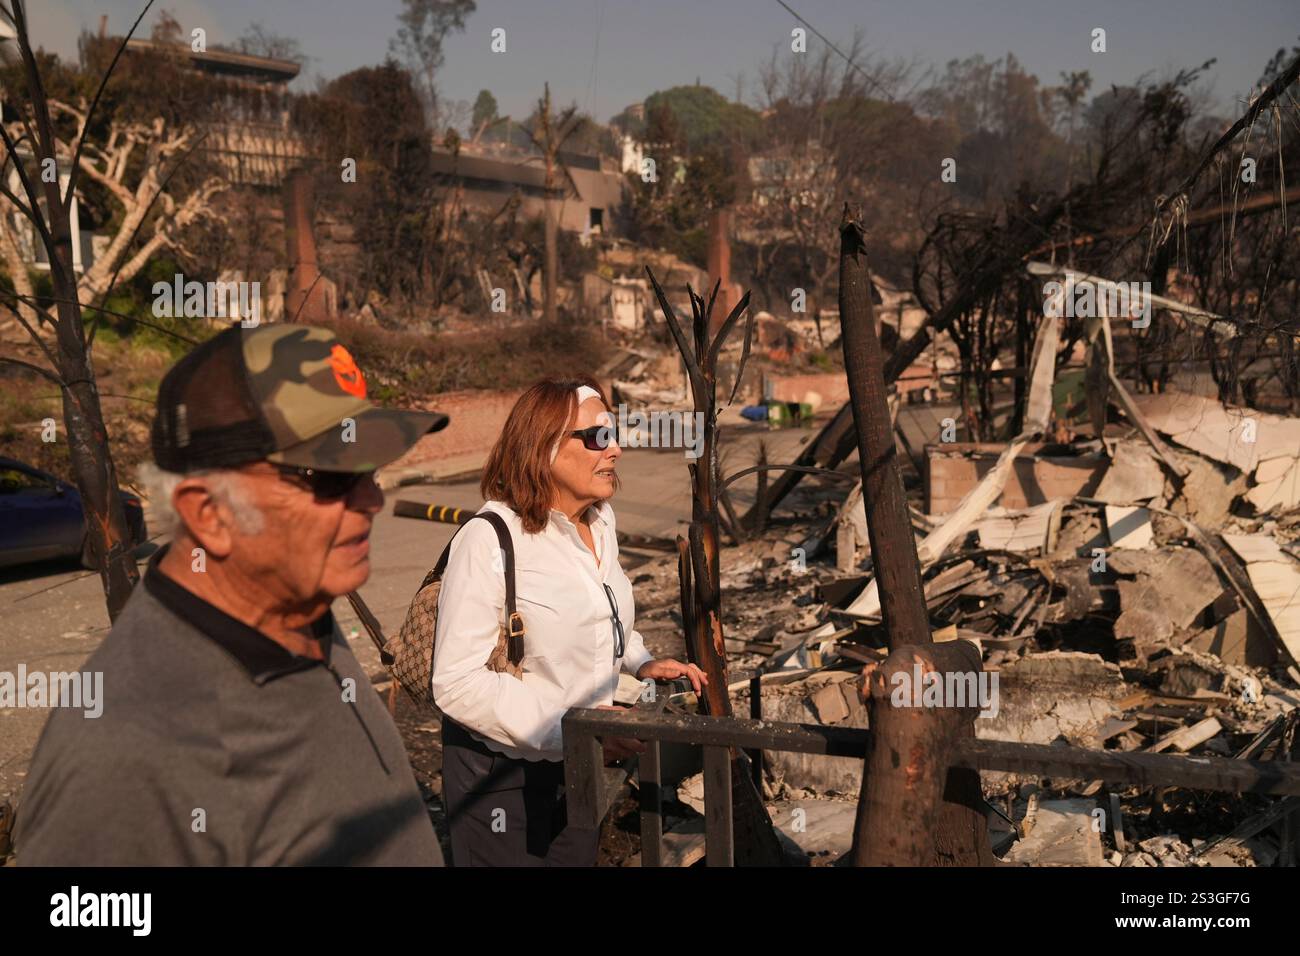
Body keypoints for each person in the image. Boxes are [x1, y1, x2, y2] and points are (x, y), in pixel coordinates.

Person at [15, 324, 449, 866]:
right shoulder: (130, 755)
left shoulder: (291, 602)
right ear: (210, 514)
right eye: (330, 478)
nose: (372, 499)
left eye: (370, 466)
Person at [432, 377, 706, 867]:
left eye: (614, 433)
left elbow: (602, 613)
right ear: (543, 446)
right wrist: (579, 731)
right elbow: (456, 682)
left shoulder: (601, 522)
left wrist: (640, 662)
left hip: (580, 765)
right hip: (501, 776)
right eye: (598, 437)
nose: (616, 449)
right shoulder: (490, 538)